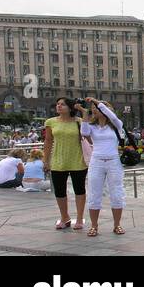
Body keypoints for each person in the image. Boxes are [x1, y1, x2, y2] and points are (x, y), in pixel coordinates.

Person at [80, 98, 128, 237]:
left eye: (97, 107)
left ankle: (117, 224)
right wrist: (84, 114)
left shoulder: (116, 125)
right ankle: (94, 226)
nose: (94, 109)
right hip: (97, 161)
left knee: (117, 193)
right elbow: (84, 132)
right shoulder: (93, 126)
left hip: (113, 161)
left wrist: (97, 101)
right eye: (93, 108)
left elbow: (112, 116)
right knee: (94, 193)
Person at [44, 97, 89, 231]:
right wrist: (45, 160)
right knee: (59, 191)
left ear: (70, 107)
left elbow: (87, 137)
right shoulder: (51, 122)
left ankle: (80, 218)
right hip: (58, 160)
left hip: (77, 160)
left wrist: (84, 112)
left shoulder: (79, 122)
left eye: (62, 104)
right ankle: (65, 217)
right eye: (57, 104)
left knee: (79, 189)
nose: (59, 106)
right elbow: (48, 141)